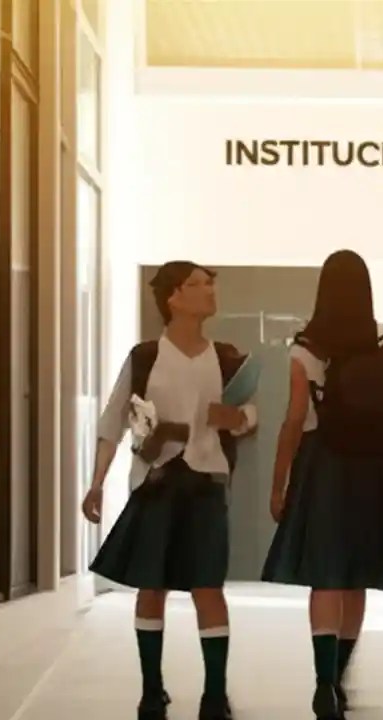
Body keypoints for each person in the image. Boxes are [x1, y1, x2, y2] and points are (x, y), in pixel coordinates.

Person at [83, 261, 258, 720]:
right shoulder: (145, 357)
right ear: (173, 297)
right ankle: (151, 692)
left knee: (208, 587)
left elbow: (250, 414)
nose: (210, 290)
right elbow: (113, 421)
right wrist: (96, 483)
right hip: (156, 484)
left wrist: (237, 419)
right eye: (198, 284)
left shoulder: (225, 357)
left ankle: (214, 696)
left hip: (205, 484)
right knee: (152, 586)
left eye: (210, 282)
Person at [262, 249, 383, 720]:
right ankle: (341, 676)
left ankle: (324, 683)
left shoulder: (307, 347)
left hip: (323, 462)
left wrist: (279, 483)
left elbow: (294, 420)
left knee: (326, 575)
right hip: (375, 465)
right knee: (356, 574)